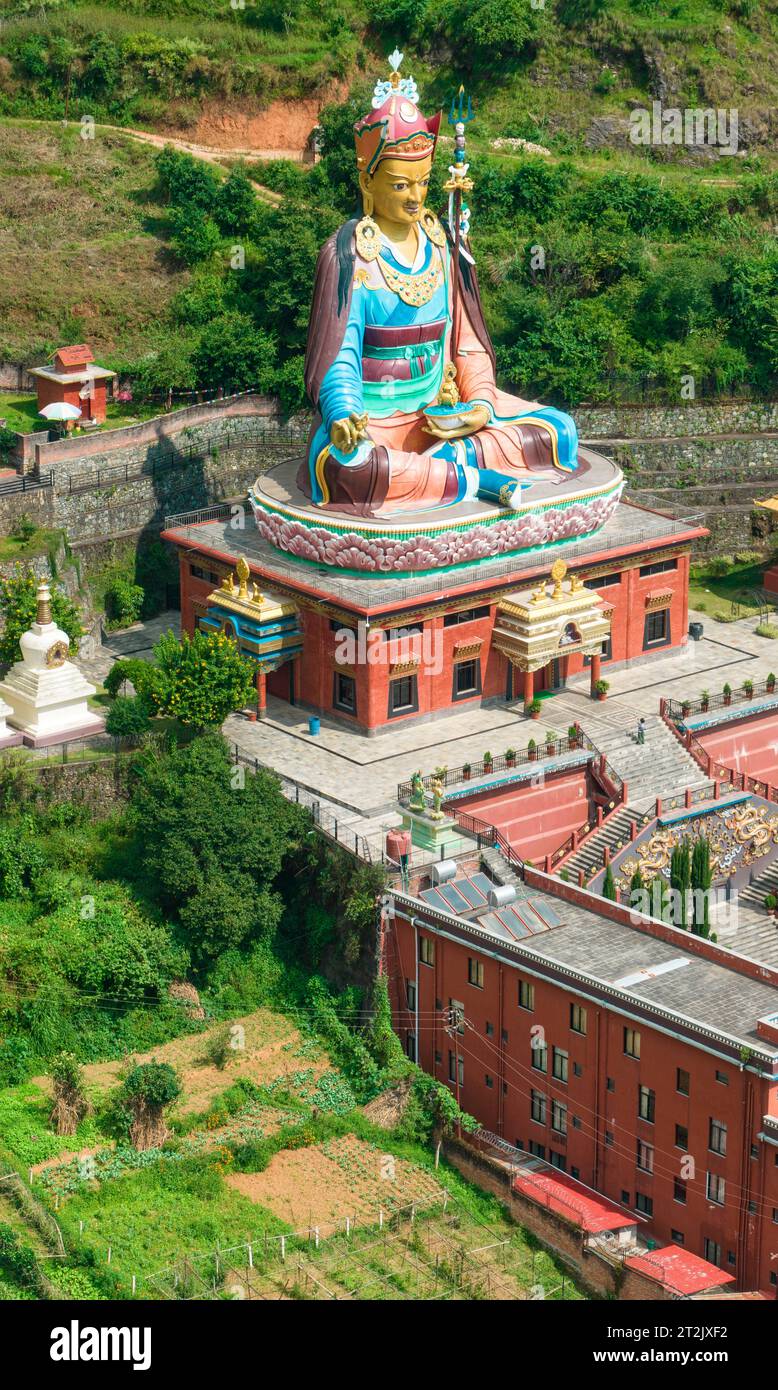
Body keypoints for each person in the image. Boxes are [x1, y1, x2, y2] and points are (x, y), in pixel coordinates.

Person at [302, 56, 580, 517]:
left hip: (445, 415)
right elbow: (340, 357)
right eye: (399, 185)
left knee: (556, 431)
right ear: (367, 179)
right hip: (377, 423)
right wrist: (343, 415)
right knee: (354, 468)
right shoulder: (348, 255)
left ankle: (447, 469)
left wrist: (482, 407)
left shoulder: (444, 243)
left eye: (423, 182)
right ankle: (472, 478)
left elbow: (466, 345)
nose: (415, 198)